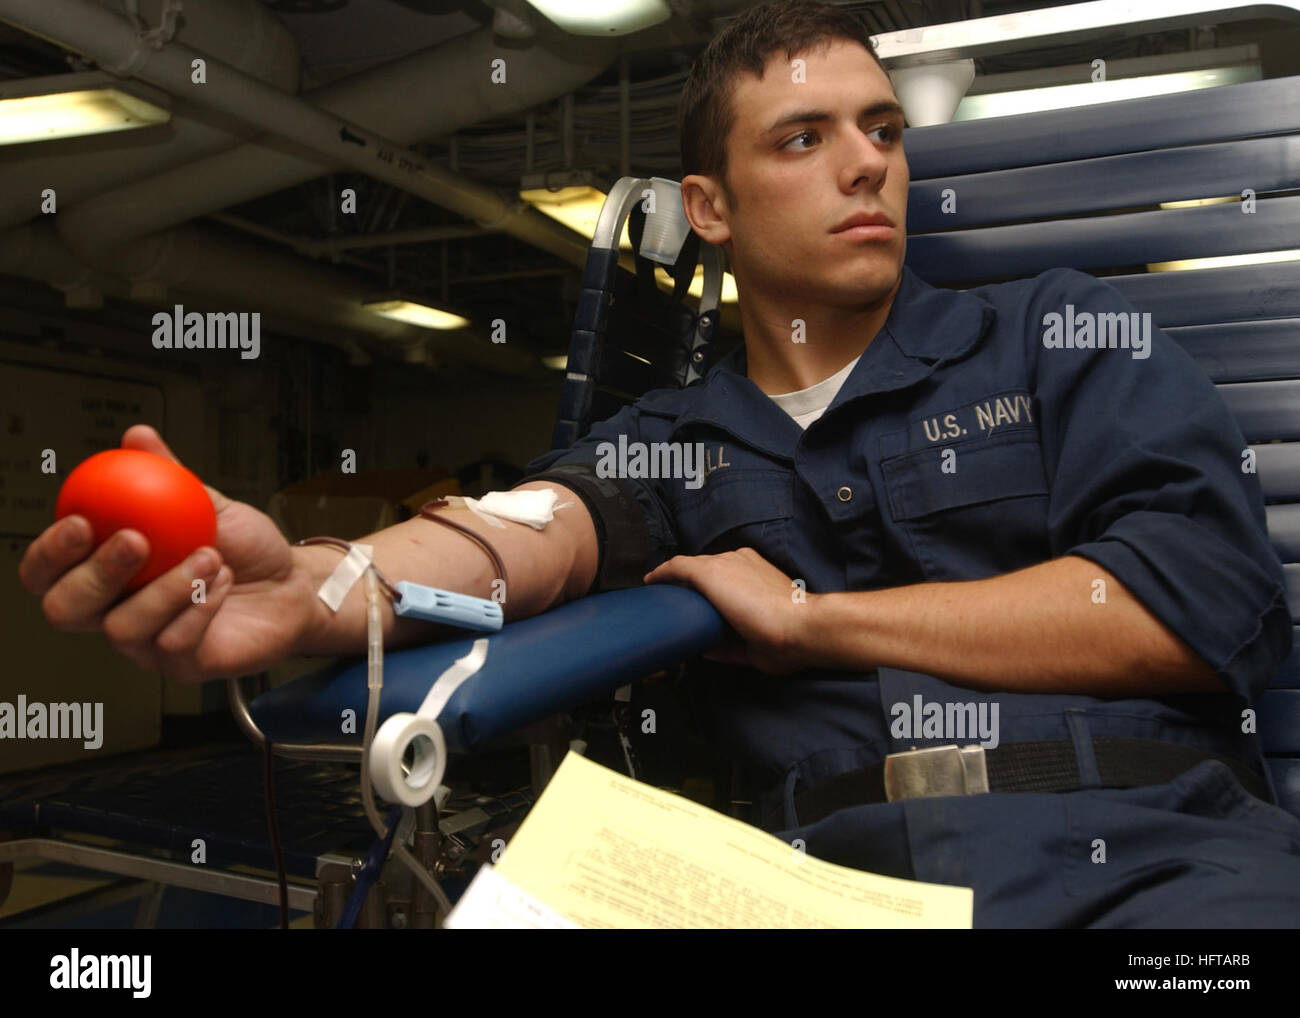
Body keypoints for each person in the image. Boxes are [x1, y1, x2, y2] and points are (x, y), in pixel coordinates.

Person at [20, 0, 1300, 926]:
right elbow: (526, 531)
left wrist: (813, 620)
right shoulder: (674, 439)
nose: (868, 160)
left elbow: (1191, 605)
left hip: (1148, 861)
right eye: (802, 138)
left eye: (880, 129)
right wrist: (318, 586)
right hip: (812, 886)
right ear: (710, 209)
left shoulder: (1059, 337)